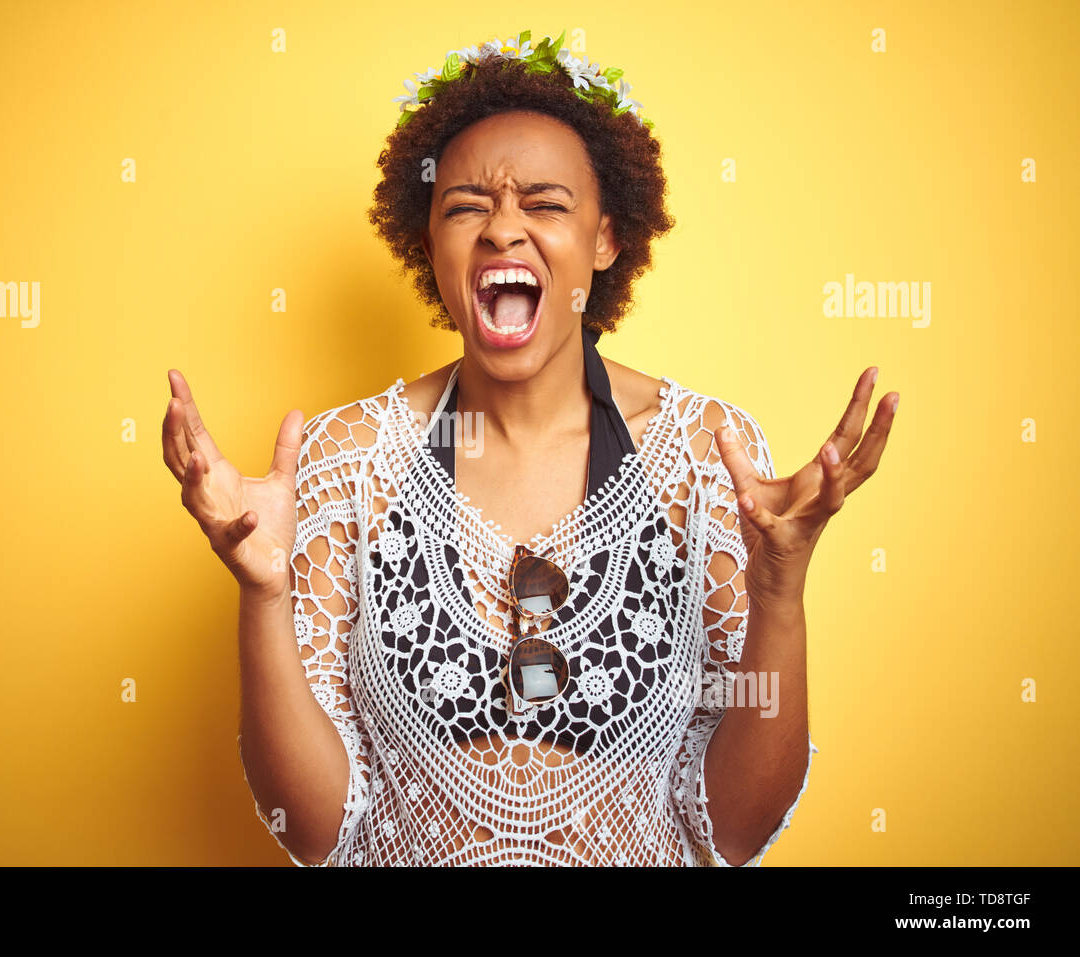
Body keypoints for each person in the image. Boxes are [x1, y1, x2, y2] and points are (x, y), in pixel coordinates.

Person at [162, 31, 897, 866]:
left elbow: (732, 829)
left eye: (545, 204)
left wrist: (779, 592)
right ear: (429, 243)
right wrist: (263, 594)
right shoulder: (348, 456)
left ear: (607, 239)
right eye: (466, 205)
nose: (502, 229)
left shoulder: (706, 454)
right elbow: (320, 828)